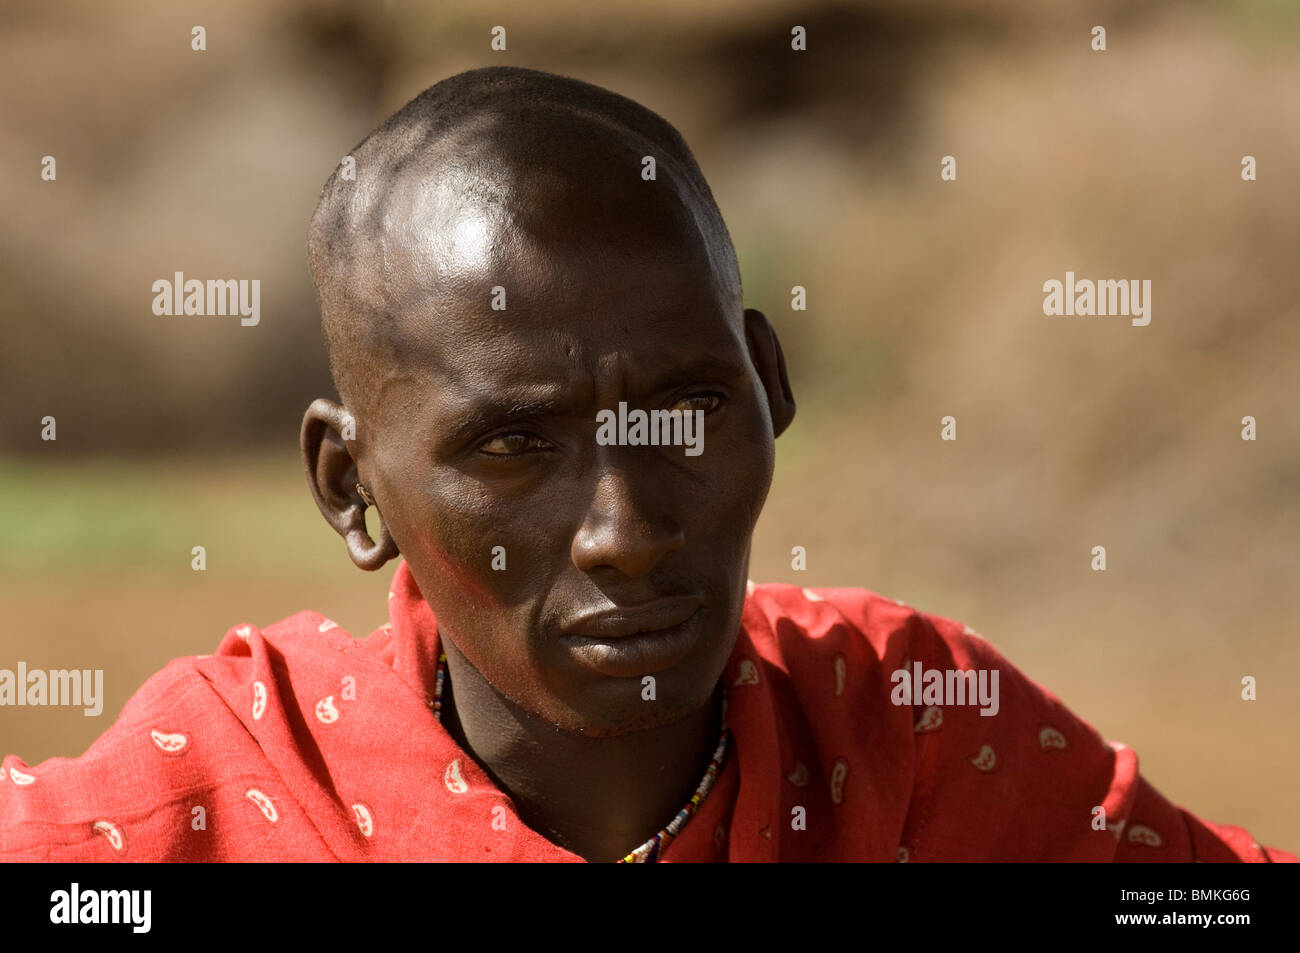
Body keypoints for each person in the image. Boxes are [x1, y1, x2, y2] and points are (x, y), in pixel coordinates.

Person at [1, 66, 1292, 862]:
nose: (626, 528)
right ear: (351, 488)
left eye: (684, 413)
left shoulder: (915, 735)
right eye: (512, 444)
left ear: (770, 388)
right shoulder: (218, 794)